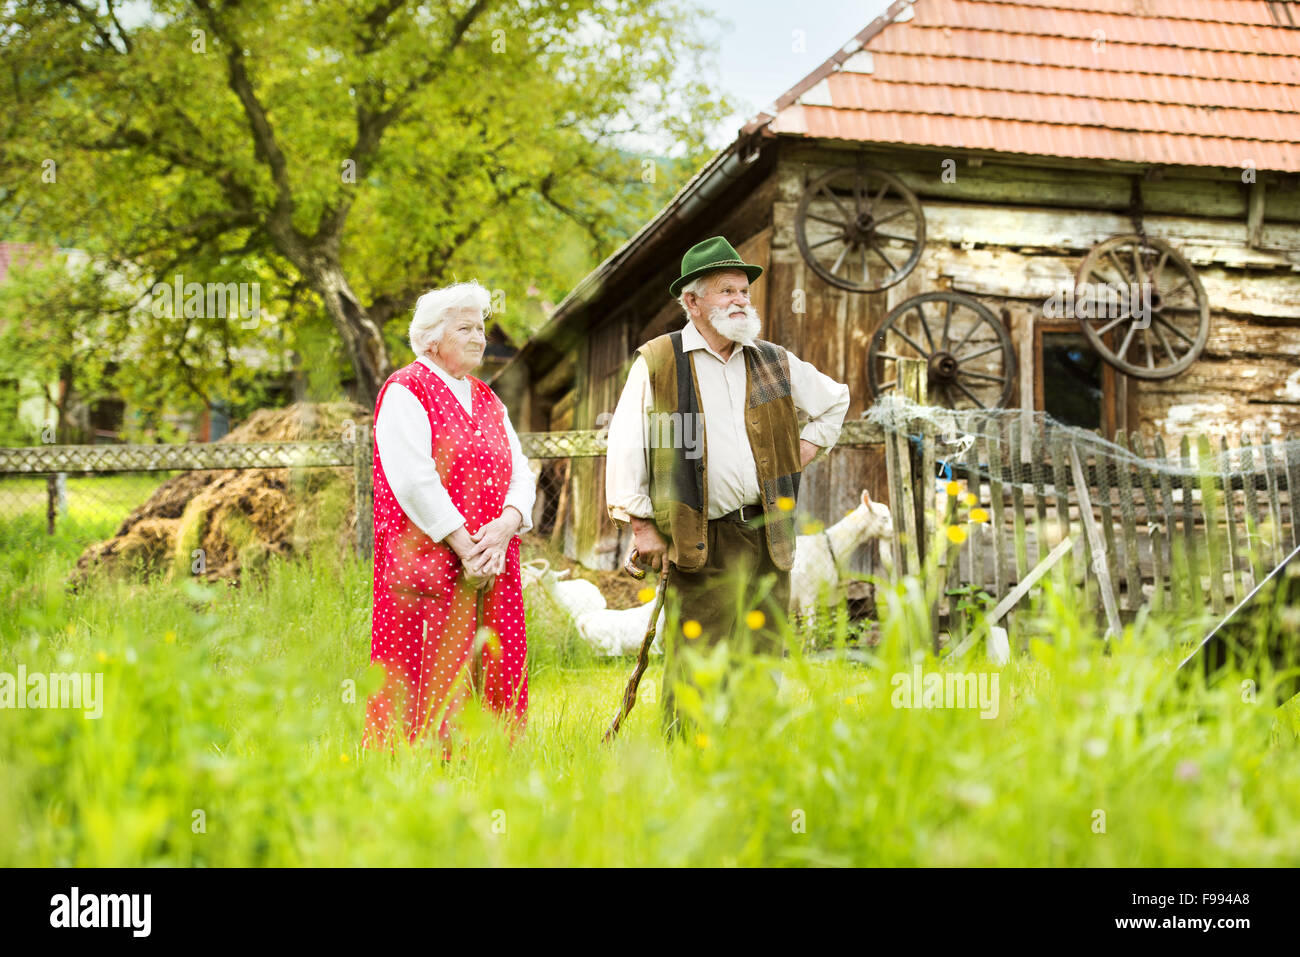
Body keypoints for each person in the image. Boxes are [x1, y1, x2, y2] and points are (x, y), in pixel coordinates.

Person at [605, 236, 850, 735]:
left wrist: (799, 453)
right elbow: (627, 445)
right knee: (697, 654)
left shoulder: (771, 359)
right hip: (699, 535)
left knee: (761, 652)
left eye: (744, 291)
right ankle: (685, 761)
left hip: (767, 533)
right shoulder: (659, 361)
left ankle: (750, 754)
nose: (741, 300)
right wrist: (642, 527)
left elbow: (833, 402)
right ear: (692, 302)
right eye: (726, 291)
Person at [364, 281, 536, 754]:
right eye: (466, 328)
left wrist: (505, 527)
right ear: (431, 338)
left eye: (481, 327)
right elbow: (414, 480)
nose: (480, 336)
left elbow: (522, 471)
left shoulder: (487, 398)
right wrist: (467, 546)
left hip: (494, 560)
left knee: (493, 663)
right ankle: (417, 773)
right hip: (429, 564)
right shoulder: (406, 389)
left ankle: (490, 764)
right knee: (426, 667)